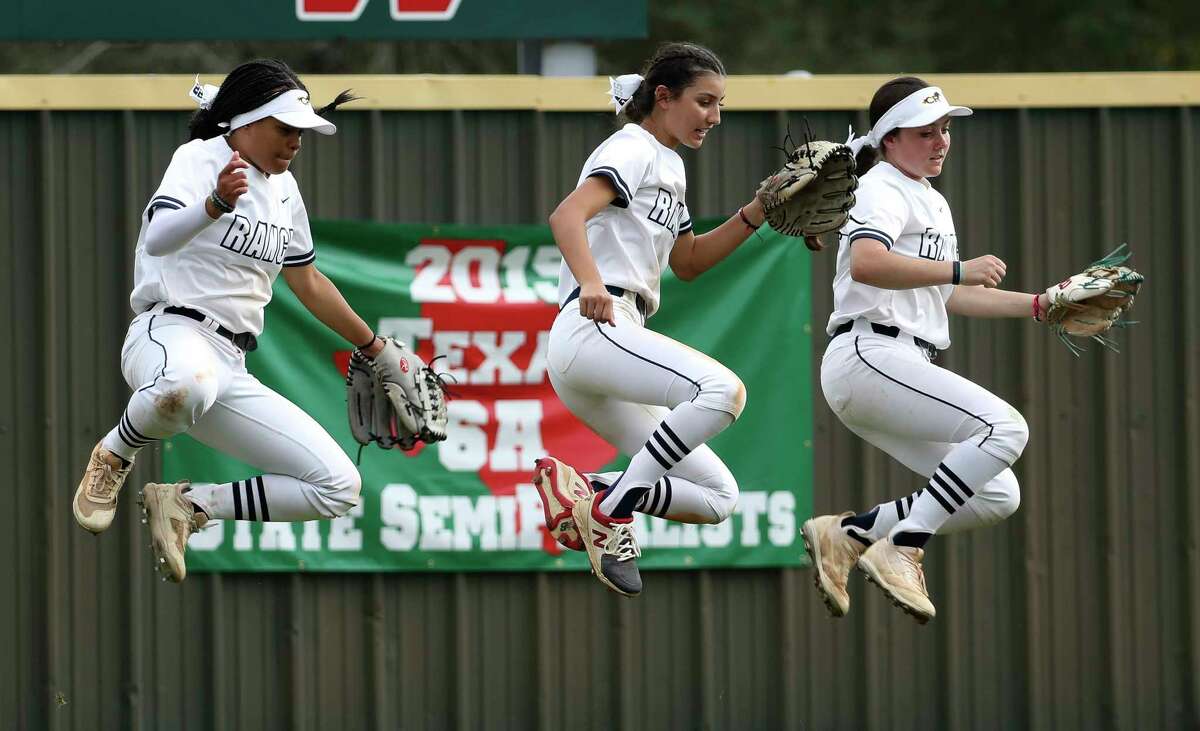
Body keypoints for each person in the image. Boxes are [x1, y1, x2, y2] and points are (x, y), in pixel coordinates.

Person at [72, 59, 384, 583]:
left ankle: (192, 505)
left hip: (229, 365)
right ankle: (113, 455)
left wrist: (373, 346)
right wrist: (215, 203)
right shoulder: (200, 158)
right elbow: (158, 239)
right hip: (168, 332)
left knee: (337, 486)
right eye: (285, 129)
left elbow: (308, 282)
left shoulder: (285, 190)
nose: (296, 143)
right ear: (247, 121)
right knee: (185, 385)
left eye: (301, 133)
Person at [801, 76, 1068, 623]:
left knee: (995, 494)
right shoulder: (880, 186)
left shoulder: (930, 199)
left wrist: (1040, 305)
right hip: (870, 355)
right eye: (926, 132)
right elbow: (868, 263)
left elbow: (946, 294)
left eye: (945, 129)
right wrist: (959, 268)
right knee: (1005, 428)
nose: (941, 141)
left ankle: (850, 533)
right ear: (890, 139)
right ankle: (903, 546)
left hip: (894, 365)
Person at [533, 42, 771, 597]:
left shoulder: (670, 164)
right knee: (722, 391)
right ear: (663, 97)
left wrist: (756, 213)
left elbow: (689, 262)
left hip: (613, 340)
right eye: (705, 101)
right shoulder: (633, 145)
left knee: (717, 497)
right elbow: (567, 215)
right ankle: (611, 512)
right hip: (596, 324)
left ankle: (591, 491)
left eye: (720, 104)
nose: (715, 116)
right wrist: (591, 282)